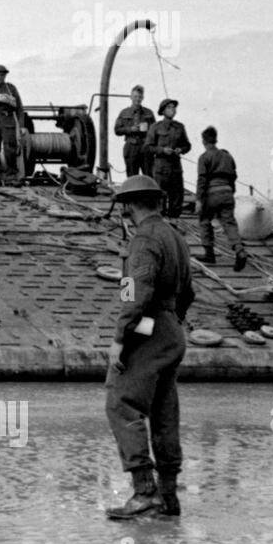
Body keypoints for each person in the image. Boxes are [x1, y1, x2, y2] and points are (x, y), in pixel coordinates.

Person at [105, 175, 194, 520]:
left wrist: (119, 340)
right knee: (163, 410)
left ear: (129, 206)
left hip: (149, 326)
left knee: (120, 402)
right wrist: (172, 321)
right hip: (171, 328)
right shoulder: (176, 237)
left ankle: (144, 492)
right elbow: (188, 293)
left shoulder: (142, 240)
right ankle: (169, 495)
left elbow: (135, 296)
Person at [196, 126, 248, 271]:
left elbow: (202, 179)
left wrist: (199, 199)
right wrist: (231, 193)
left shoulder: (204, 157)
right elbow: (233, 177)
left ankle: (209, 254)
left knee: (204, 220)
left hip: (212, 194)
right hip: (227, 193)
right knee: (229, 223)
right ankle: (240, 250)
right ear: (216, 139)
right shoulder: (227, 156)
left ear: (204, 141)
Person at [144, 99, 191, 218]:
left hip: (176, 168)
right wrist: (162, 150)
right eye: (170, 107)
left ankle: (173, 225)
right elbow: (148, 147)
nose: (173, 109)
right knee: (159, 199)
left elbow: (187, 145)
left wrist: (181, 149)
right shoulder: (155, 127)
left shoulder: (180, 127)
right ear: (163, 111)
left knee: (176, 198)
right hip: (161, 168)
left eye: (174, 107)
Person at [114, 85, 155, 177]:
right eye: (135, 96)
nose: (137, 99)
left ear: (143, 98)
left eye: (140, 97)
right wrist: (130, 129)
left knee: (149, 175)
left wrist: (148, 130)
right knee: (132, 176)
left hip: (145, 147)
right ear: (131, 97)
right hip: (131, 147)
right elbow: (117, 130)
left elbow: (155, 131)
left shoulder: (149, 113)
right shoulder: (124, 113)